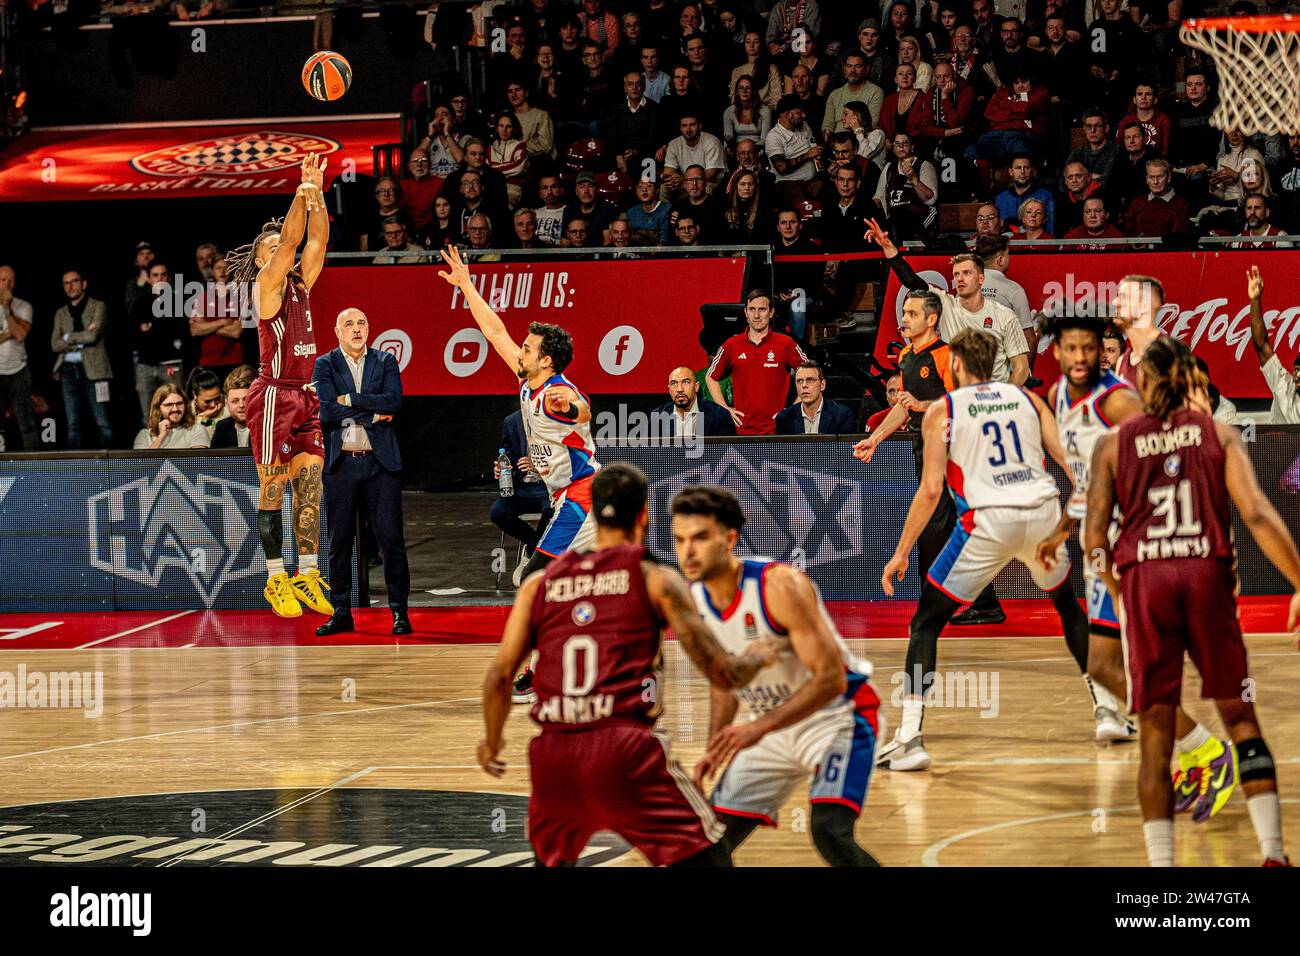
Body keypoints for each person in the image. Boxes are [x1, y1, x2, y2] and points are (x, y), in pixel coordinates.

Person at [476, 462, 779, 867]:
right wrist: (758, 655)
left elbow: (499, 677)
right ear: (644, 516)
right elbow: (721, 672)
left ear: (592, 512)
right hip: (625, 749)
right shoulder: (653, 578)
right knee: (710, 856)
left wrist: (492, 742)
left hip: (553, 756)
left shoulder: (539, 585)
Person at [1086, 336, 1300, 867]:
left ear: (1143, 382)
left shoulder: (1112, 444)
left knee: (1156, 732)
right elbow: (1256, 514)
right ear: (1189, 380)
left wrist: (1119, 590)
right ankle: (1273, 854)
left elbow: (1093, 542)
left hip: (1146, 580)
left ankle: (1163, 872)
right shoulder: (1219, 433)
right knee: (1241, 718)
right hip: (1206, 572)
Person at [873, 328, 1090, 770]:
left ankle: (910, 736)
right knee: (1068, 605)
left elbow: (931, 490)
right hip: (1043, 513)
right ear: (994, 363)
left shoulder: (943, 408)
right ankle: (1107, 709)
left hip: (989, 521)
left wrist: (900, 552)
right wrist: (1083, 509)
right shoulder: (1030, 400)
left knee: (926, 622)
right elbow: (1073, 465)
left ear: (955, 364)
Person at [671, 485, 881, 867]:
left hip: (837, 717)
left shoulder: (778, 585)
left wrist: (756, 728)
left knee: (830, 832)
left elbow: (831, 679)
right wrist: (717, 745)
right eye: (680, 539)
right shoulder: (694, 601)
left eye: (700, 537)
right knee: (706, 843)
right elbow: (725, 682)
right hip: (770, 728)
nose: (688, 551)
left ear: (730, 539)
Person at [439, 244, 601, 700]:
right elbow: (494, 331)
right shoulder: (527, 379)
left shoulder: (554, 393)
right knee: (576, 588)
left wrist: (576, 408)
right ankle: (576, 661)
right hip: (567, 499)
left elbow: (580, 408)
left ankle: (536, 673)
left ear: (546, 360)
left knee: (535, 584)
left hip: (582, 501)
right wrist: (468, 284)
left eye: (528, 348)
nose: (521, 350)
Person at [224, 155, 332, 620]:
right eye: (270, 249)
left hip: (306, 392)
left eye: (279, 250)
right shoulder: (267, 283)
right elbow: (291, 239)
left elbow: (317, 239)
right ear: (262, 257)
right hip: (272, 394)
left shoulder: (302, 282)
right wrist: (300, 188)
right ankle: (274, 576)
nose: (281, 253)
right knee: (273, 487)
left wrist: (318, 193)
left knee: (310, 485)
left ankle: (306, 572)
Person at [853, 291, 1003, 623]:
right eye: (904, 313)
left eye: (911, 313)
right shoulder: (906, 355)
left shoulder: (945, 355)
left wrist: (924, 408)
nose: (903, 319)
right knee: (949, 528)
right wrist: (875, 438)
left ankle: (932, 603)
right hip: (925, 445)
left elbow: (964, 401)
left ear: (931, 319)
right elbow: (903, 406)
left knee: (935, 528)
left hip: (954, 448)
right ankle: (986, 602)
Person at [313, 308, 411, 638]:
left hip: (380, 464)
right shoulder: (325, 364)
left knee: (391, 540)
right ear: (337, 331)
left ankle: (399, 610)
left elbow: (395, 402)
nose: (357, 329)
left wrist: (352, 399)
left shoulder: (384, 361)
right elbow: (326, 410)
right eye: (350, 324)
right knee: (339, 542)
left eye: (362, 323)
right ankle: (341, 611)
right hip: (341, 465)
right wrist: (373, 413)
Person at [868, 218, 1030, 387]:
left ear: (981, 278)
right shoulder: (946, 305)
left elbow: (1021, 369)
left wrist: (1003, 399)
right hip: (956, 398)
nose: (960, 279)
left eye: (966, 273)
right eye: (956, 274)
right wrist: (888, 248)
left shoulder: (1004, 315)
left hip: (993, 400)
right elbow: (911, 281)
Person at [706, 289, 808, 435]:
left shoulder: (786, 344)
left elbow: (811, 374)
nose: (757, 315)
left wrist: (793, 410)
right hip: (741, 431)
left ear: (771, 312)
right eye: (752, 309)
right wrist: (725, 409)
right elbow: (711, 377)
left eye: (762, 309)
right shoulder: (731, 345)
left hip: (777, 431)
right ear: (745, 312)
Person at [51, 270, 114, 450]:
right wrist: (81, 336)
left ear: (83, 284)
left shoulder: (98, 306)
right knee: (72, 425)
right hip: (68, 371)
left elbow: (93, 336)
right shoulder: (61, 313)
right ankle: (75, 469)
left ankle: (111, 467)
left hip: (95, 371)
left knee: (103, 422)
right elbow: (54, 345)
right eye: (66, 283)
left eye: (74, 281)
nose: (70, 286)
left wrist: (67, 337)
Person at [491, 410, 554, 587]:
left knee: (553, 509)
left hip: (548, 485)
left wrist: (538, 467)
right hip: (522, 487)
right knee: (498, 512)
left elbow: (566, 460)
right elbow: (508, 457)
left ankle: (534, 560)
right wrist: (502, 469)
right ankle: (534, 550)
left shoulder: (556, 421)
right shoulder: (512, 421)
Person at [1246, 265, 1300, 424]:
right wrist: (1255, 300)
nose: (1297, 375)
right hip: (1280, 448)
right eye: (1296, 370)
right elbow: (1261, 346)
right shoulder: (1283, 384)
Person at [0, 265, 38, 452]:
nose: (6, 284)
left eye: (9, 280)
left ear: (14, 283)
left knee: (26, 424)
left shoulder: (23, 306)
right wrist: (8, 334)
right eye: (2, 279)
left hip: (18, 371)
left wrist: (7, 309)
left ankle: (34, 469)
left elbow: (20, 335)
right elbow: (15, 333)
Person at [653, 365, 736, 437]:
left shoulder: (719, 416)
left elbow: (726, 452)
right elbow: (648, 452)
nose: (679, 389)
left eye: (686, 382)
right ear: (669, 390)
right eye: (674, 383)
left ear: (696, 387)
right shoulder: (657, 416)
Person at [775, 361, 856, 434]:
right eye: (799, 381)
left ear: (822, 385)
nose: (804, 385)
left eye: (810, 380)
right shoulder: (784, 418)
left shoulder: (842, 415)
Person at [133, 384, 211, 450]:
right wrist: (161, 436)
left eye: (179, 403)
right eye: (169, 405)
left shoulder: (197, 430)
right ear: (158, 408)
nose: (175, 409)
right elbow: (142, 465)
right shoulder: (144, 435)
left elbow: (196, 464)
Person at [211, 365, 254, 449]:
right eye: (235, 401)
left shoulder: (269, 427)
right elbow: (213, 461)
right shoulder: (222, 427)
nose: (241, 405)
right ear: (227, 403)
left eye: (246, 400)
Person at [187, 367, 225, 439]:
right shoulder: (186, 412)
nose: (213, 405)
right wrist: (204, 418)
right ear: (195, 395)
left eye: (217, 398)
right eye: (207, 401)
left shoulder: (228, 408)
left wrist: (211, 419)